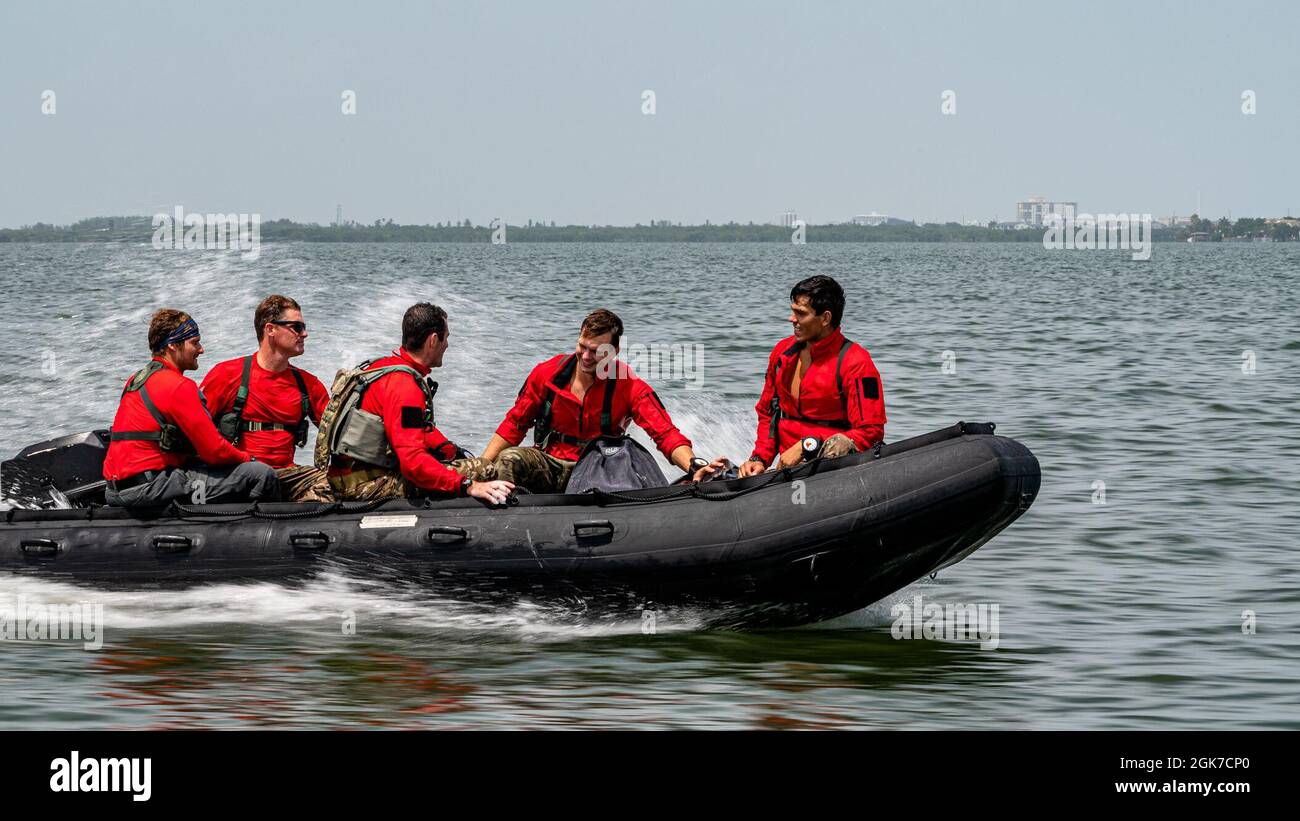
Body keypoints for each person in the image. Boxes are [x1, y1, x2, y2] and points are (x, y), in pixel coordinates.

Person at [480, 308, 729, 493]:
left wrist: (694, 465)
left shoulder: (630, 387)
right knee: (510, 459)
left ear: (614, 352)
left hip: (601, 469)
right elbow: (514, 425)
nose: (586, 357)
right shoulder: (545, 374)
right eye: (582, 347)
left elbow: (665, 434)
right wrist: (483, 464)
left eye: (597, 351)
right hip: (552, 464)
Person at [322, 302, 514, 504]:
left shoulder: (381, 368)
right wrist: (468, 485)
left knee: (453, 461)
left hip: (345, 476)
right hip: (361, 484)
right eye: (446, 337)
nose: (447, 344)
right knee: (484, 468)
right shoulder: (405, 387)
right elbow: (413, 463)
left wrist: (449, 450)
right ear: (433, 340)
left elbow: (413, 429)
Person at [102, 309, 279, 508]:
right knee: (260, 475)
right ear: (172, 345)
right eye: (194, 342)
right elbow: (214, 452)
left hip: (115, 490)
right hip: (151, 489)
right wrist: (249, 458)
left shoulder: (136, 379)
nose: (201, 349)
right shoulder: (179, 386)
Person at [737, 275, 887, 478]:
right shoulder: (781, 353)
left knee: (840, 443)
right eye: (793, 312)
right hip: (786, 472)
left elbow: (871, 432)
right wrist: (759, 459)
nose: (792, 319)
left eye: (800, 314)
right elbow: (768, 415)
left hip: (836, 469)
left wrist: (808, 445)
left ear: (825, 318)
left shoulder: (857, 363)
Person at [200, 295, 332, 502]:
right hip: (238, 474)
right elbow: (196, 430)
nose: (304, 334)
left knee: (333, 484)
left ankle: (297, 524)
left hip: (285, 476)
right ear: (270, 329)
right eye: (296, 327)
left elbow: (339, 432)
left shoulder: (308, 384)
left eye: (303, 327)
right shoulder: (226, 375)